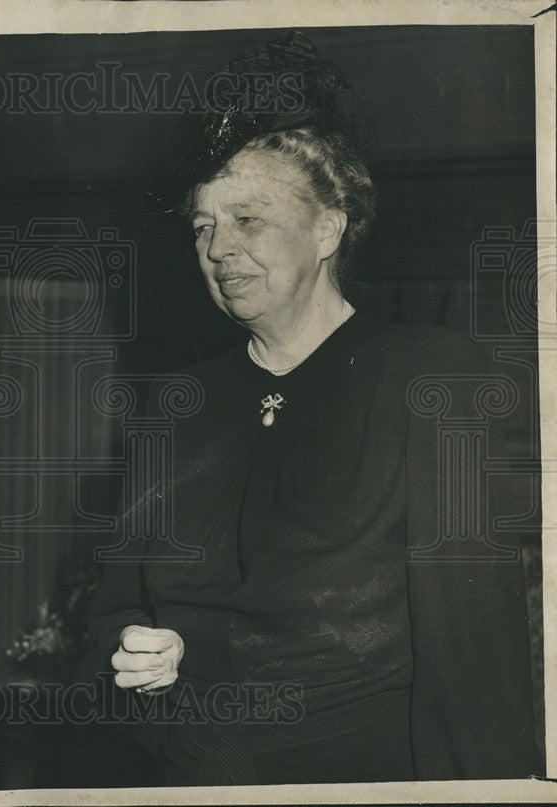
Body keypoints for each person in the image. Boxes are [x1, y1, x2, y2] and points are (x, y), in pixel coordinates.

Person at [84, 32, 541, 785]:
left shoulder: (427, 379)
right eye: (202, 226)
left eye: (248, 219)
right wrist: (138, 661)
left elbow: (474, 659)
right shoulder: (176, 407)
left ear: (328, 227)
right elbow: (112, 619)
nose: (218, 249)